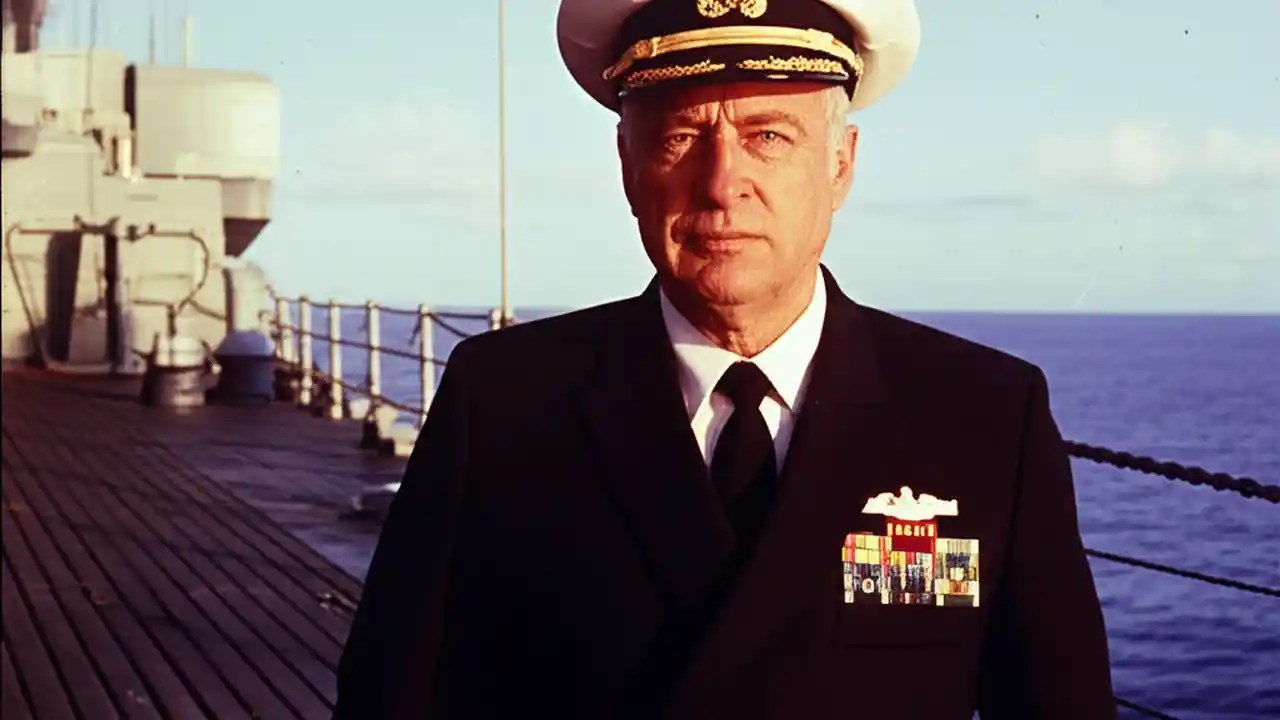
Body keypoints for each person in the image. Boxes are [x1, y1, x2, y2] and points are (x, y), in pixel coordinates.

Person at [334, 0, 1117, 717]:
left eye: (768, 137)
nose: (720, 184)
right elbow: (393, 696)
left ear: (840, 165)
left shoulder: (981, 417)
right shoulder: (505, 403)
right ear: (627, 166)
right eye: (680, 137)